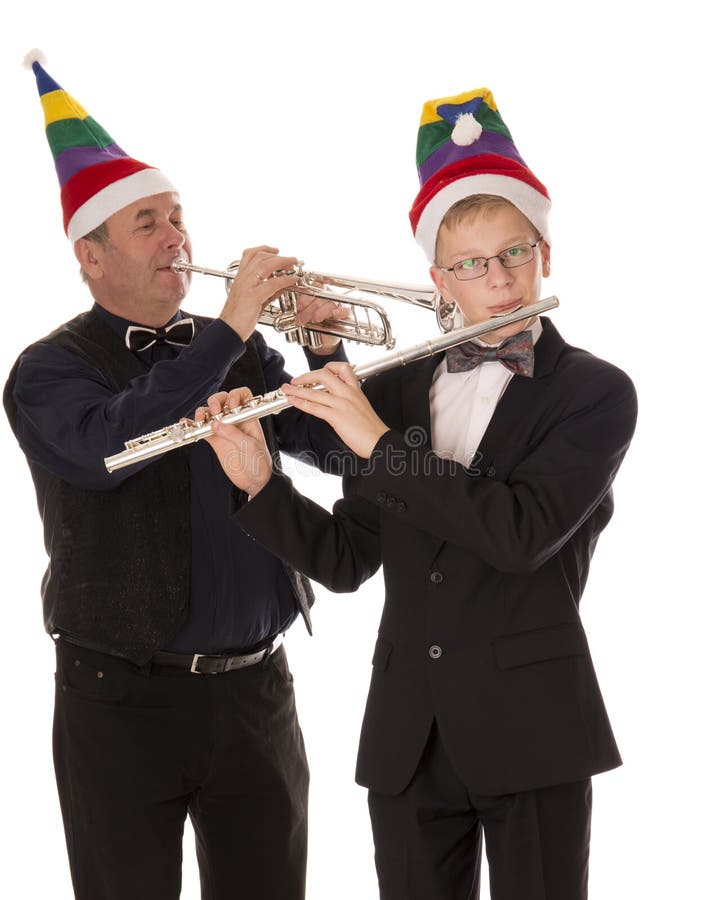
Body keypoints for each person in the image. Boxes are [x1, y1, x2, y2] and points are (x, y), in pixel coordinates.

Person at [199, 87, 639, 899]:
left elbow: (517, 533)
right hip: (409, 734)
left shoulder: (596, 392)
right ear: (440, 280)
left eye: (514, 254)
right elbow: (347, 559)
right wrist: (261, 485)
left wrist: (371, 440)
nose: (498, 280)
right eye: (472, 264)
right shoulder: (398, 389)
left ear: (545, 253)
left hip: (532, 727)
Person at [4, 55, 351, 900]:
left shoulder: (232, 344)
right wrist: (226, 331)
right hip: (118, 701)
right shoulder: (47, 371)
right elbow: (105, 448)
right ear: (91, 258)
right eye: (148, 224)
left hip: (256, 695)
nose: (178, 240)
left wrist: (326, 348)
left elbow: (341, 453)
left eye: (177, 217)